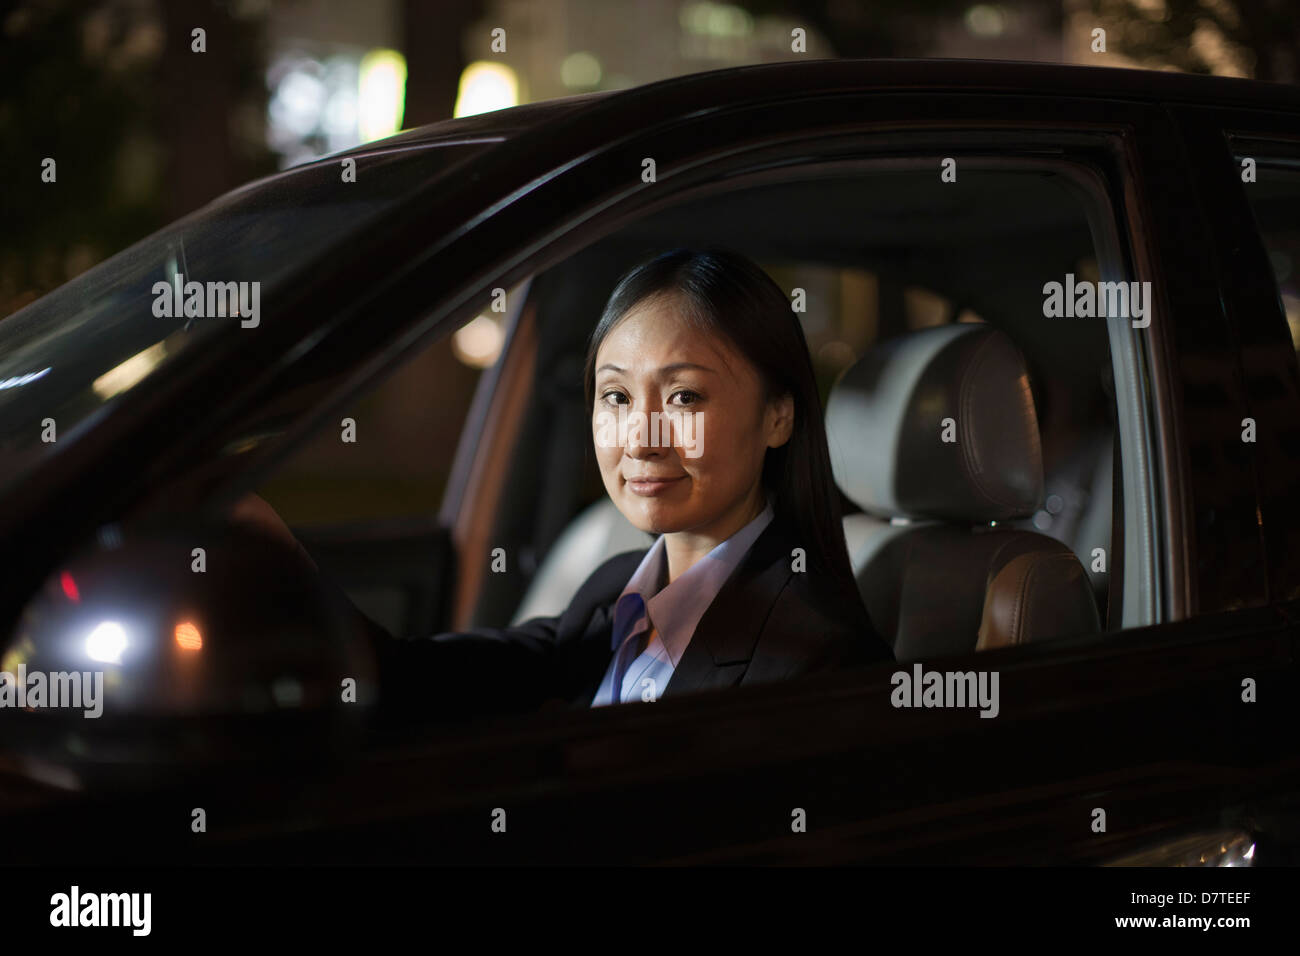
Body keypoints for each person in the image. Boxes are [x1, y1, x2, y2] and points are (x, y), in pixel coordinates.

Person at [237, 247, 893, 725]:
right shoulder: (617, 592)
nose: (641, 437)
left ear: (778, 414)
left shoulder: (817, 657)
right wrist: (270, 555)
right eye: (615, 397)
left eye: (685, 395)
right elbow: (419, 683)